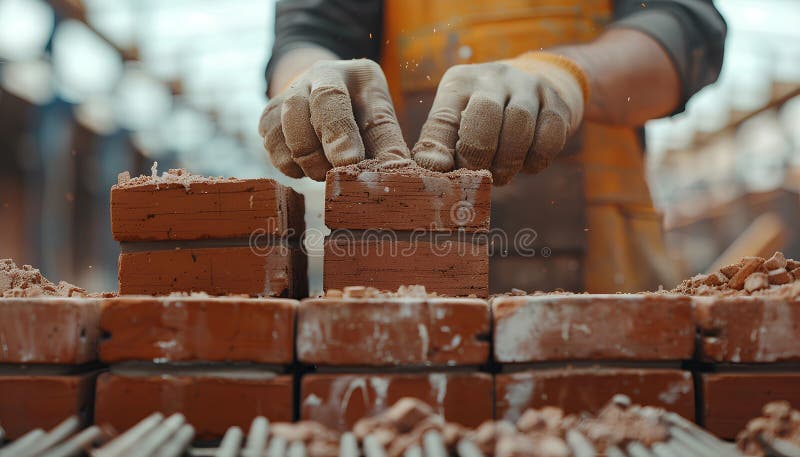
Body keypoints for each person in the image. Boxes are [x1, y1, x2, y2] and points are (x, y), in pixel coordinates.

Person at [259, 0, 726, 293]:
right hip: (406, 274)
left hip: (608, 279)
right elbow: (308, 33)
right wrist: (310, 83)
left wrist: (565, 77)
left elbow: (685, 30)